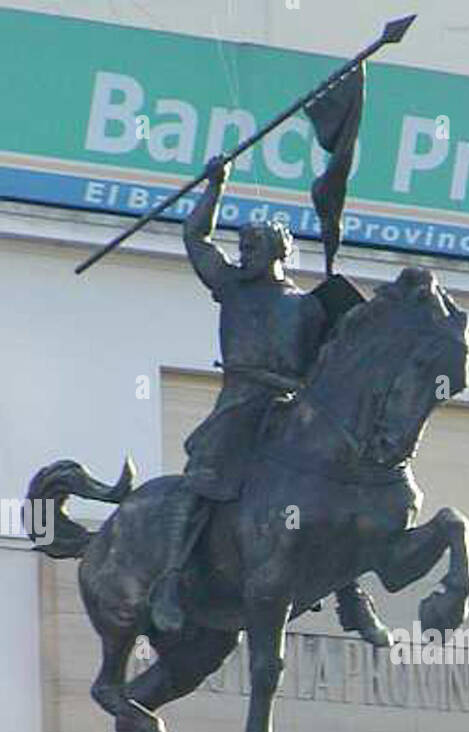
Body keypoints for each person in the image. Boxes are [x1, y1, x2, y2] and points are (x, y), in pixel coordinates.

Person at [150, 155, 389, 644]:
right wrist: (215, 186)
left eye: (254, 244)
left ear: (279, 248)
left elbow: (334, 365)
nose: (245, 251)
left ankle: (351, 594)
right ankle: (170, 582)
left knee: (337, 484)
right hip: (240, 401)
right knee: (204, 477)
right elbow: (196, 239)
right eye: (242, 245)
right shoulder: (231, 288)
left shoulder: (309, 307)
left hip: (290, 406)